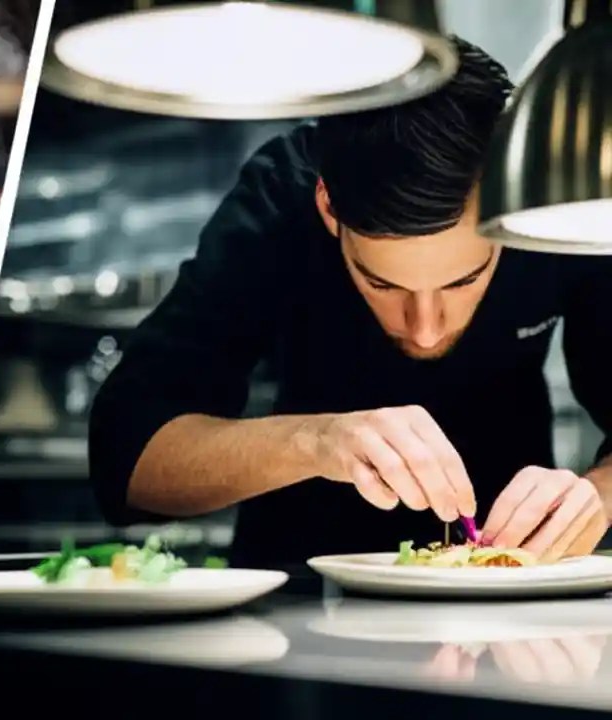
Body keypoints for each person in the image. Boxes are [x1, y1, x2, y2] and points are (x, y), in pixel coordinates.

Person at [87, 36, 612, 569]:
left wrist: (601, 493)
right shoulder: (282, 197)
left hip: (514, 589)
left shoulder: (550, 204)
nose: (425, 329)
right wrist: (317, 440)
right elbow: (128, 461)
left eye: (463, 281)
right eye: (383, 285)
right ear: (329, 210)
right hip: (298, 600)